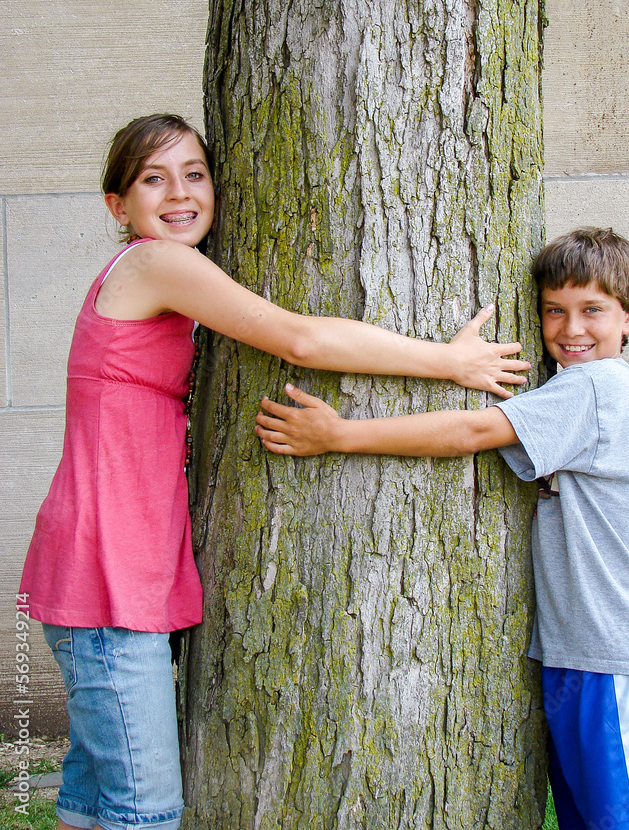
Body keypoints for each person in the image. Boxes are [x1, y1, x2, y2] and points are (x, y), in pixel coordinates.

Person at [18, 113, 531, 830]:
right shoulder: (154, 262)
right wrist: (446, 361)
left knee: (93, 800)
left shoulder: (154, 275)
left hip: (112, 569)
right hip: (107, 579)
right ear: (118, 205)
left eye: (194, 174)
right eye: (153, 179)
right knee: (146, 813)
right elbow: (299, 338)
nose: (179, 193)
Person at [256, 227, 629, 830]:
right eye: (555, 311)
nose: (571, 330)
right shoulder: (575, 388)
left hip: (614, 657)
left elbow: (471, 433)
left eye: (592, 310)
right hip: (582, 654)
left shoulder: (598, 387)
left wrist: (341, 435)